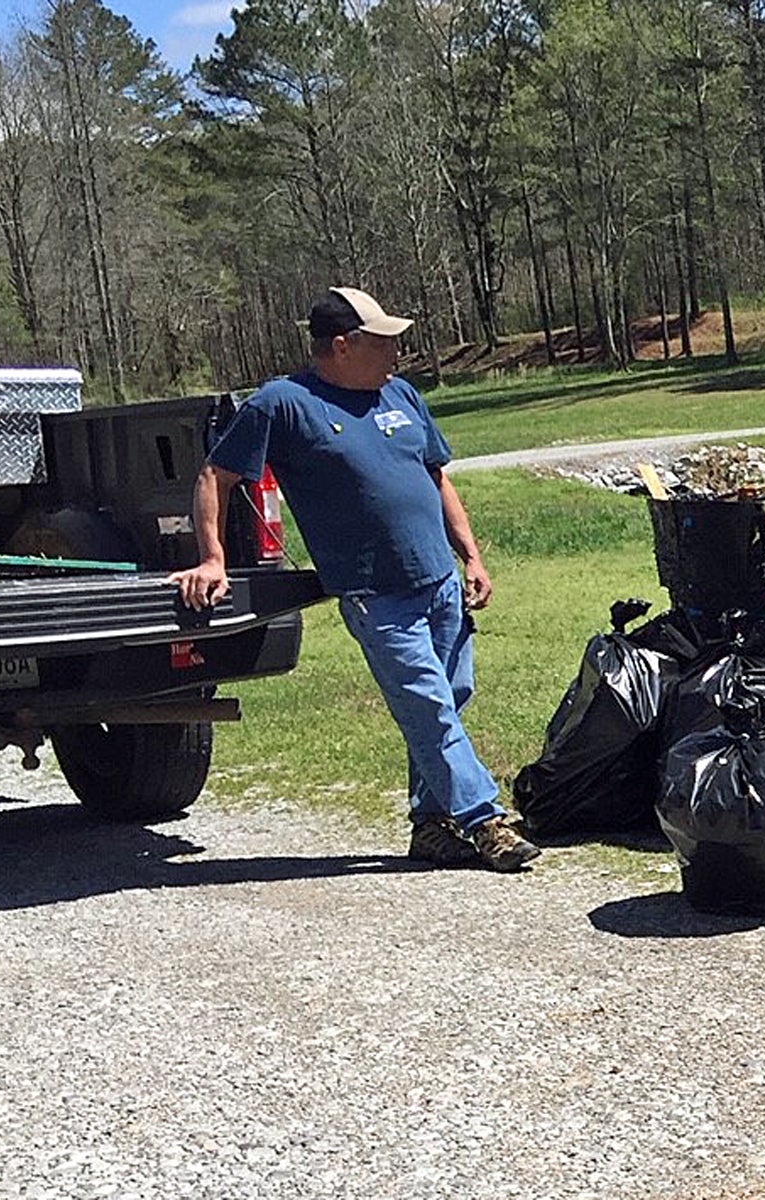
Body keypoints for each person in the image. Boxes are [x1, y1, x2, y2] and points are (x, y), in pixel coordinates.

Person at [167, 286, 540, 872]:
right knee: (428, 708)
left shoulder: (403, 395)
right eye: (384, 341)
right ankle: (484, 821)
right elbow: (216, 475)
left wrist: (470, 555)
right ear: (342, 346)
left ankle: (431, 826)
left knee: (449, 700)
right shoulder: (283, 404)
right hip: (376, 594)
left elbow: (437, 478)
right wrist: (213, 558)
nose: (397, 352)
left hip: (440, 582)